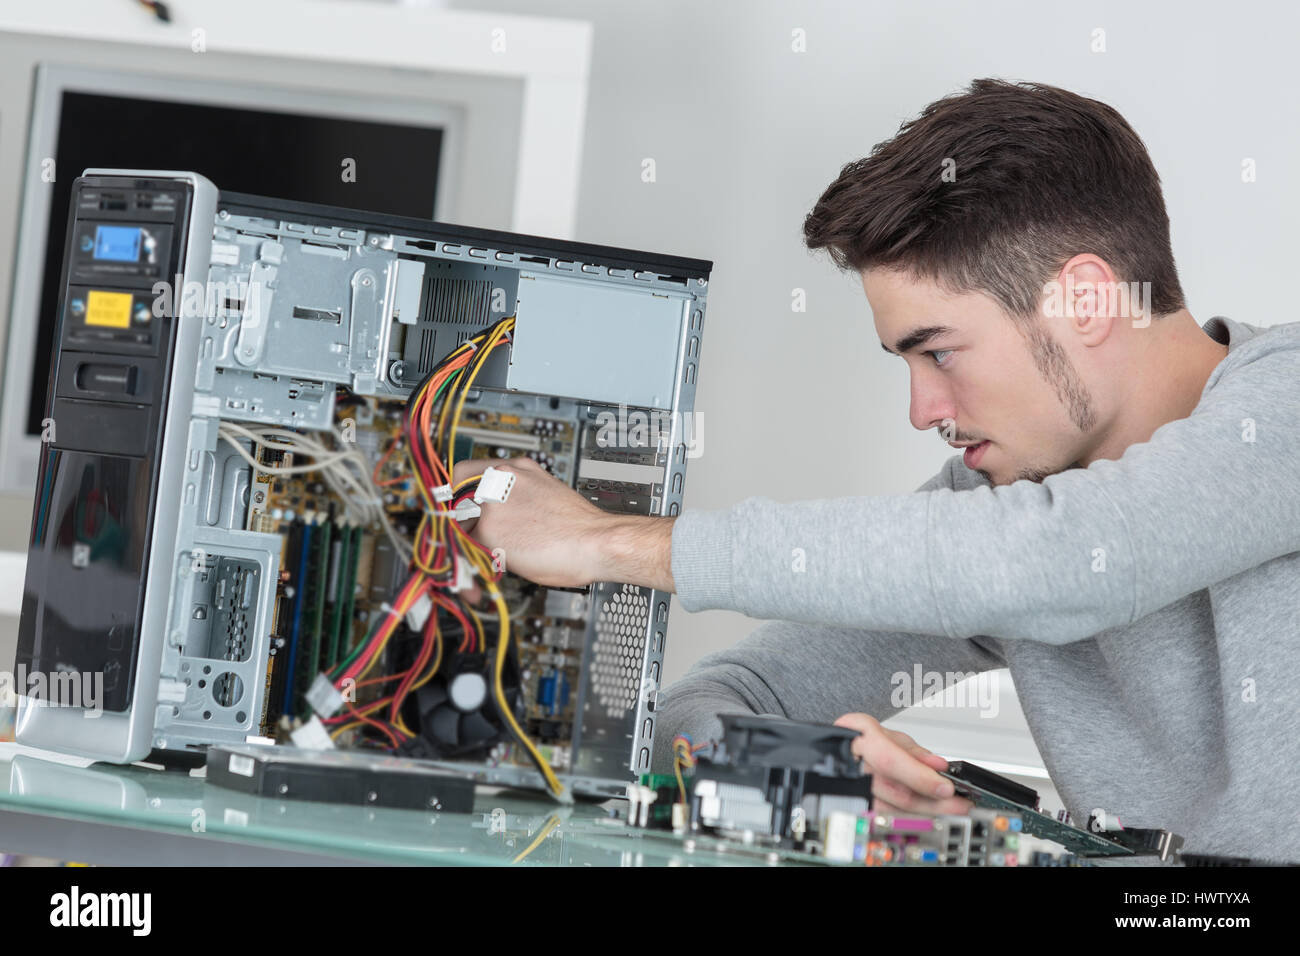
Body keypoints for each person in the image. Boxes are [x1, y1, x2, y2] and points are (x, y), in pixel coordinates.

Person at [453, 79, 1300, 861]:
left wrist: (609, 543)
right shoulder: (1009, 501)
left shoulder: (1281, 404)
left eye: (939, 352)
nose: (923, 411)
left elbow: (1062, 561)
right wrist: (797, 761)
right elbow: (711, 701)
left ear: (1085, 299)